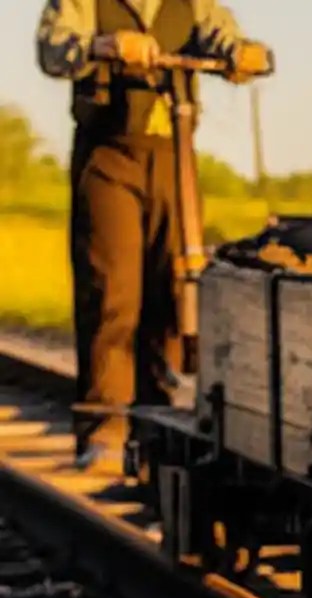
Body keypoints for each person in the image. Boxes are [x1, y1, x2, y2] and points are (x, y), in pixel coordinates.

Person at [36, 0, 273, 475]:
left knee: (174, 288)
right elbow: (53, 49)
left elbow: (220, 35)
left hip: (172, 154)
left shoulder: (192, 3)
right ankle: (104, 427)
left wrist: (242, 54)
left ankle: (155, 428)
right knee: (112, 291)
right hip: (109, 154)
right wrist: (105, 45)